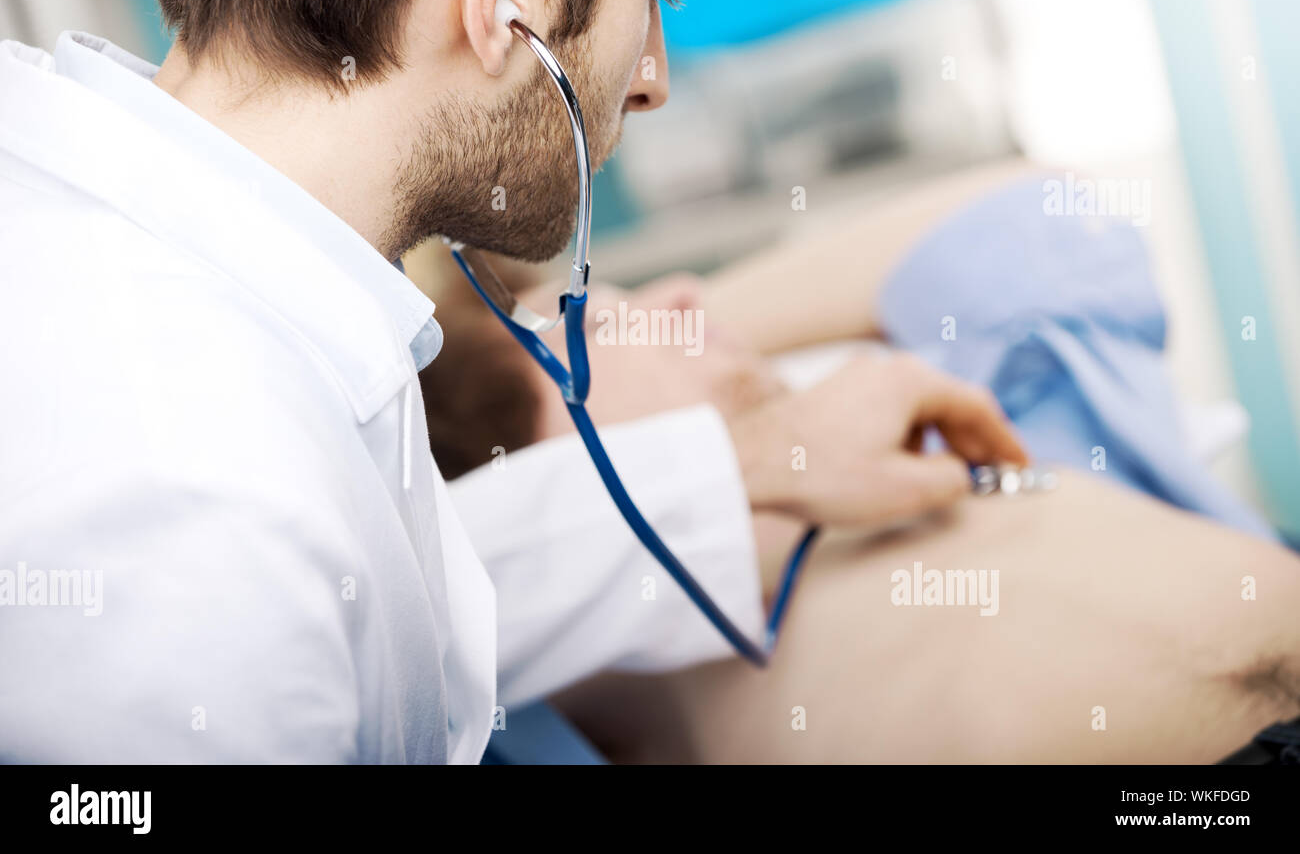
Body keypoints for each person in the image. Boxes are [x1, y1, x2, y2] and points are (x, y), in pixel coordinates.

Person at [0, 0, 1024, 762]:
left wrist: (740, 465)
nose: (651, 78)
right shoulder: (200, 510)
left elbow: (384, 604)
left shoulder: (184, 263)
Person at [420, 162, 1300, 761]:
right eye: (586, 324)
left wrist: (709, 343)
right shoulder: (481, 692)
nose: (681, 291)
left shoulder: (943, 438)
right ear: (523, 474)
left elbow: (1043, 223)